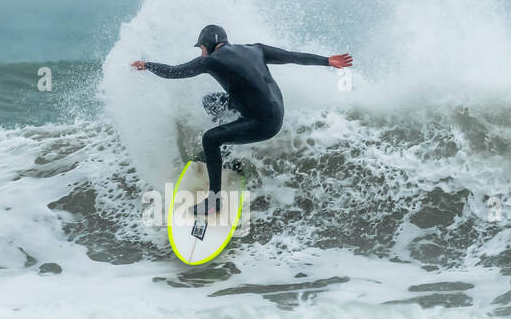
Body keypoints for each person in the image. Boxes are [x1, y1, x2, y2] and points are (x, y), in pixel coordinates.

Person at [132, 25, 353, 215]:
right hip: (275, 109)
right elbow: (291, 56)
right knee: (211, 101)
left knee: (210, 139)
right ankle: (224, 150)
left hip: (264, 123)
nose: (201, 54)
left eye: (201, 48)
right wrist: (327, 61)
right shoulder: (255, 49)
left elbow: (174, 72)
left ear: (207, 45)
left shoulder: (210, 61)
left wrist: (147, 65)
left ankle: (214, 200)